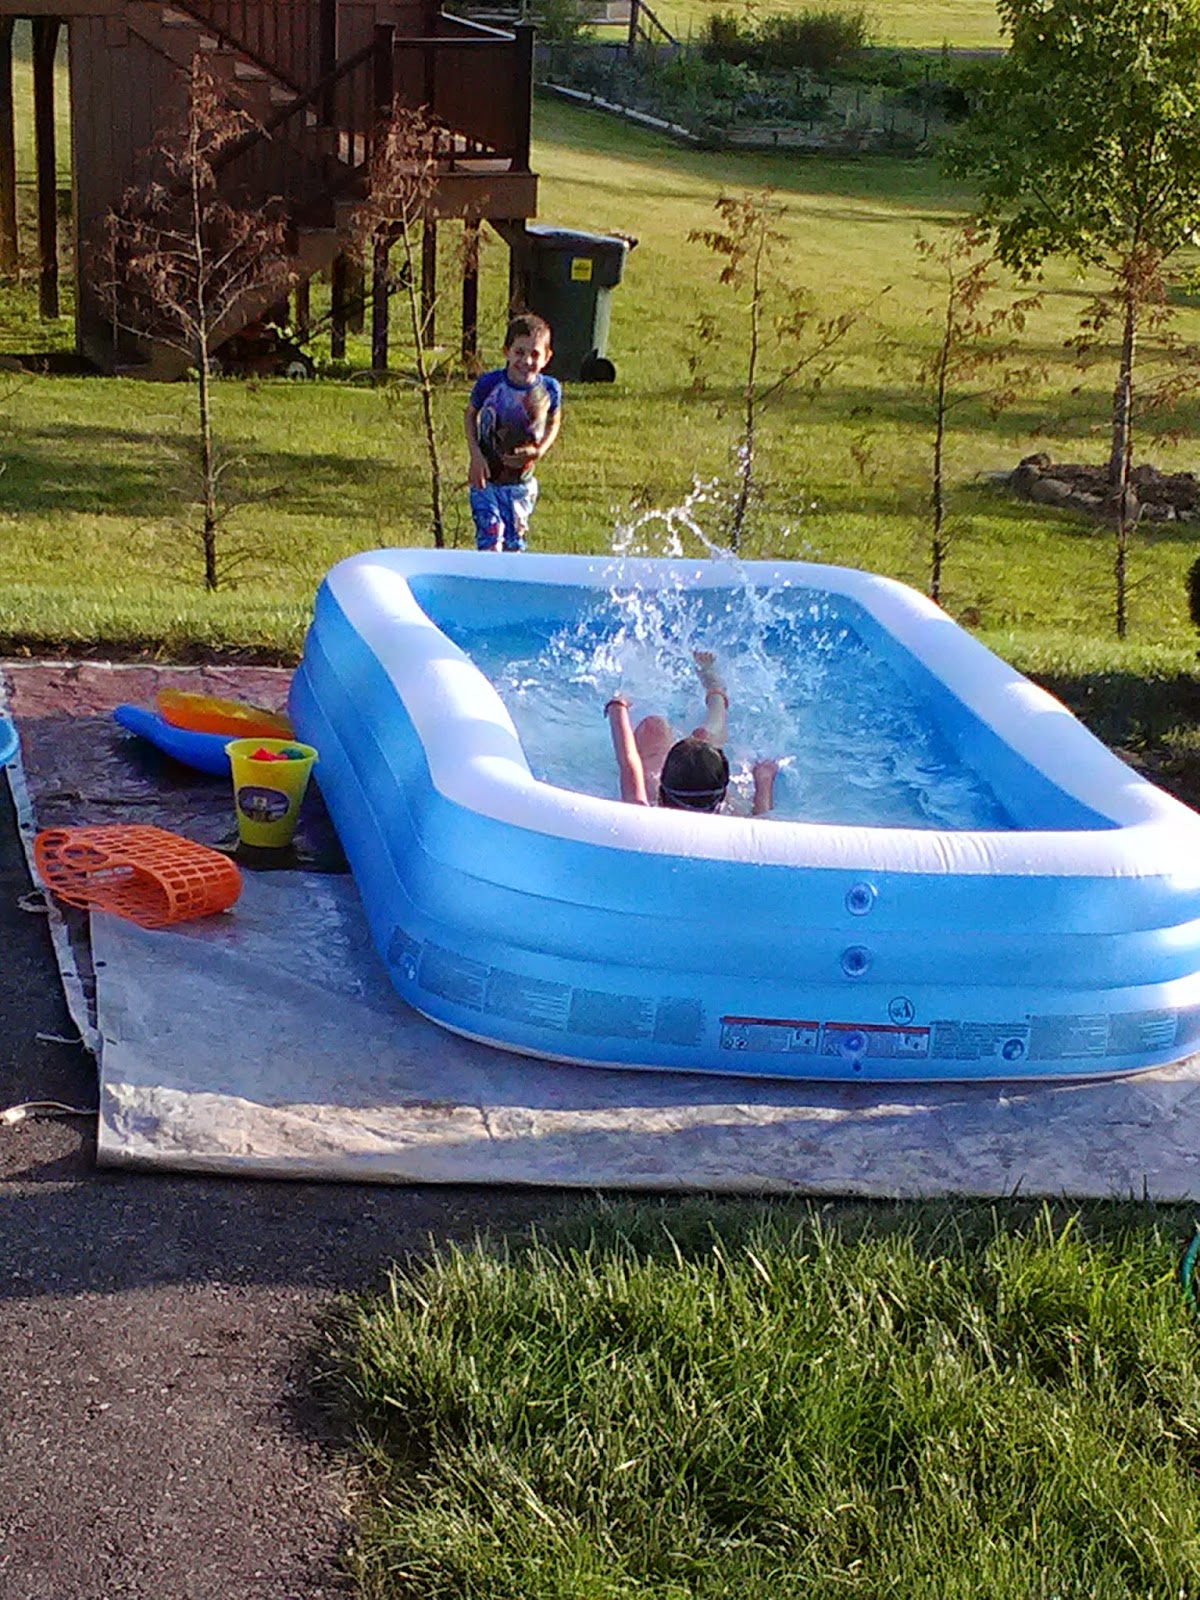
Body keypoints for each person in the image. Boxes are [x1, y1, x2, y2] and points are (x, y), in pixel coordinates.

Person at [604, 650, 778, 816]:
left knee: (654, 728)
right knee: (705, 741)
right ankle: (715, 688)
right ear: (723, 796)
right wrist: (764, 780)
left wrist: (617, 705)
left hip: (669, 786)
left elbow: (629, 762)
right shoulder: (732, 818)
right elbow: (760, 819)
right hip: (710, 796)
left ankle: (716, 691)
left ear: (661, 788)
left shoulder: (642, 809)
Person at [464, 313, 562, 552]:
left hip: (521, 483)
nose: (526, 360)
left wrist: (540, 450)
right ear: (506, 351)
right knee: (490, 536)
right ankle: (488, 574)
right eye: (519, 352)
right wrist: (475, 456)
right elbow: (470, 415)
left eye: (535, 354)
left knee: (514, 544)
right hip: (487, 478)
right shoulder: (490, 384)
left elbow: (555, 421)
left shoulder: (549, 389)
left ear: (547, 357)